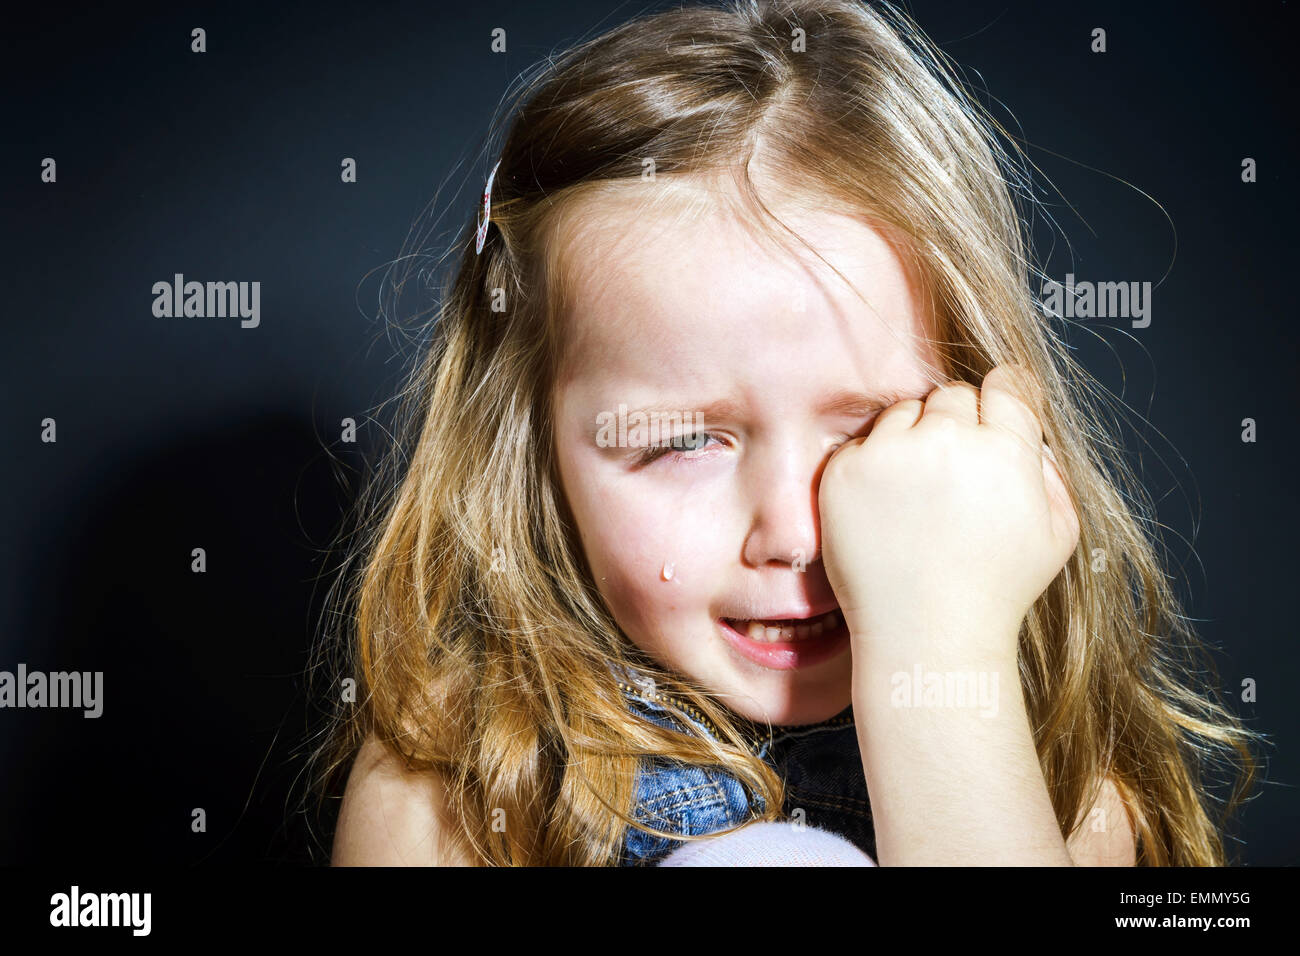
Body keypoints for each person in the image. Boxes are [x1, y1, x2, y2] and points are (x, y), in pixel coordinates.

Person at [316, 0, 1259, 866]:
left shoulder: (1069, 790)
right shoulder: (452, 793)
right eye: (682, 443)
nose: (796, 535)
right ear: (533, 449)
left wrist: (944, 654)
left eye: (875, 431)